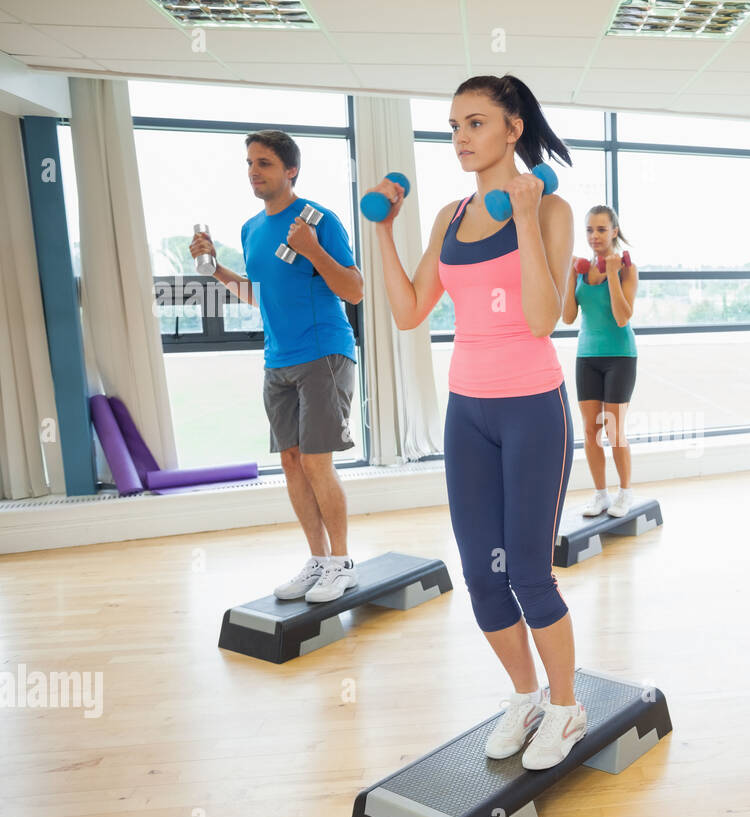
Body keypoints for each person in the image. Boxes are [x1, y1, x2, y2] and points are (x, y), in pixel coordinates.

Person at [366, 74, 584, 771]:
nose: (460, 137)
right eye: (454, 124)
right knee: (482, 575)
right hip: (468, 412)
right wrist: (382, 230)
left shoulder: (550, 209)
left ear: (514, 129)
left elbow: (543, 319)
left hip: (532, 409)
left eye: (476, 123)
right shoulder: (450, 216)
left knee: (528, 571)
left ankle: (565, 705)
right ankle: (523, 695)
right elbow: (407, 312)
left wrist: (523, 215)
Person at [190, 130, 364, 604]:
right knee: (290, 463)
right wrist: (216, 269)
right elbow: (259, 296)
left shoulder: (318, 220)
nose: (253, 171)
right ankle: (318, 560)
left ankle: (342, 563)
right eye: (249, 163)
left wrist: (312, 249)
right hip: (277, 361)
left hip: (324, 353)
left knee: (315, 461)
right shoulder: (251, 230)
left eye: (264, 163)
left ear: (290, 170)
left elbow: (354, 289)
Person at [561, 206, 639, 518]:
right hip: (587, 356)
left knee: (614, 429)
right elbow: (567, 317)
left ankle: (625, 492)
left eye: (602, 230)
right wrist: (569, 277)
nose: (595, 236)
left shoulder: (627, 269)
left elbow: (622, 318)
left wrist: (611, 274)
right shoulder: (580, 270)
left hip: (620, 355)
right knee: (590, 431)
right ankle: (600, 494)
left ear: (614, 231)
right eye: (590, 230)